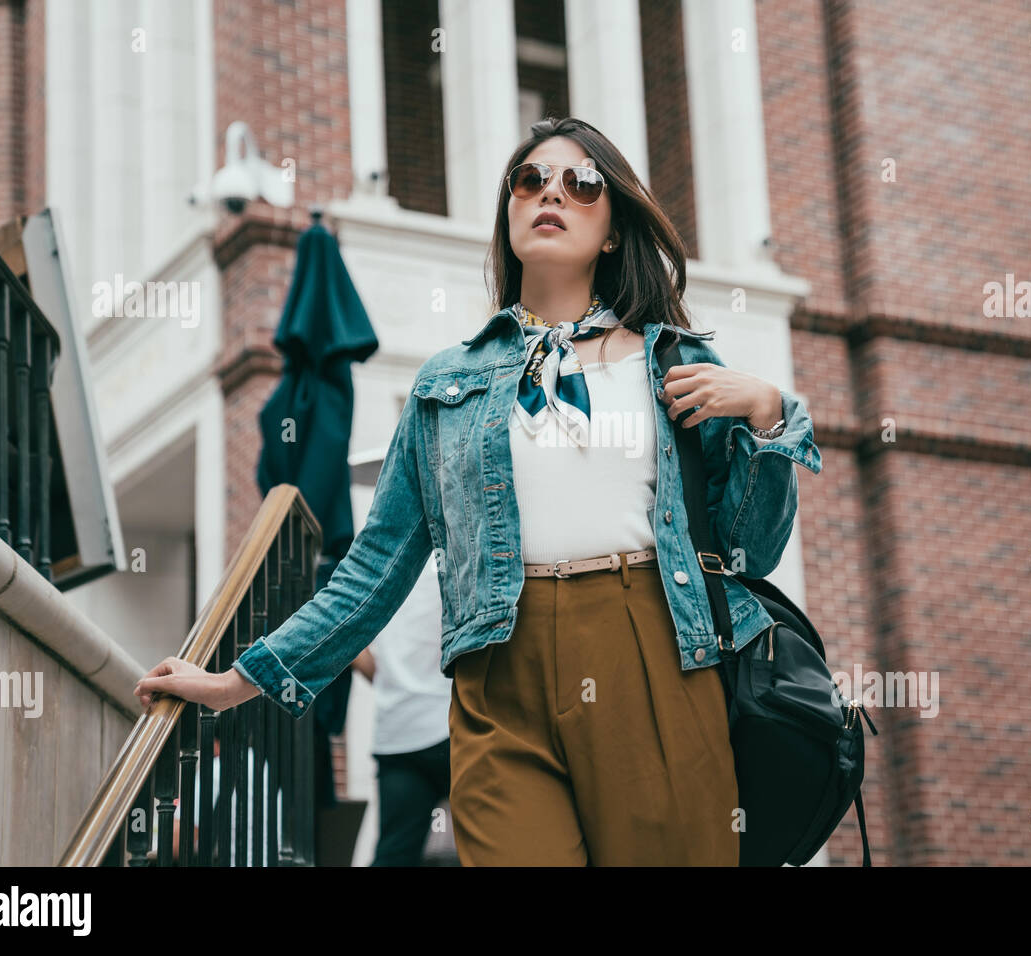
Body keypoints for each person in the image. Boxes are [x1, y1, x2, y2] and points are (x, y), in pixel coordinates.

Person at [136, 116, 823, 866]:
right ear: (508, 212)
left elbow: (751, 547)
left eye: (581, 183)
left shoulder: (676, 365)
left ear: (613, 228)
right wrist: (239, 680)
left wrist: (769, 418)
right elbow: (372, 571)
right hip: (500, 675)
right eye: (529, 181)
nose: (549, 194)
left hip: (652, 659)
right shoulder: (446, 384)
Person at [354, 552, 454, 866]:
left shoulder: (378, 565)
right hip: (450, 726)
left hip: (397, 732)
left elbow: (357, 654)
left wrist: (394, 681)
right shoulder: (452, 560)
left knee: (395, 853)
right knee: (487, 844)